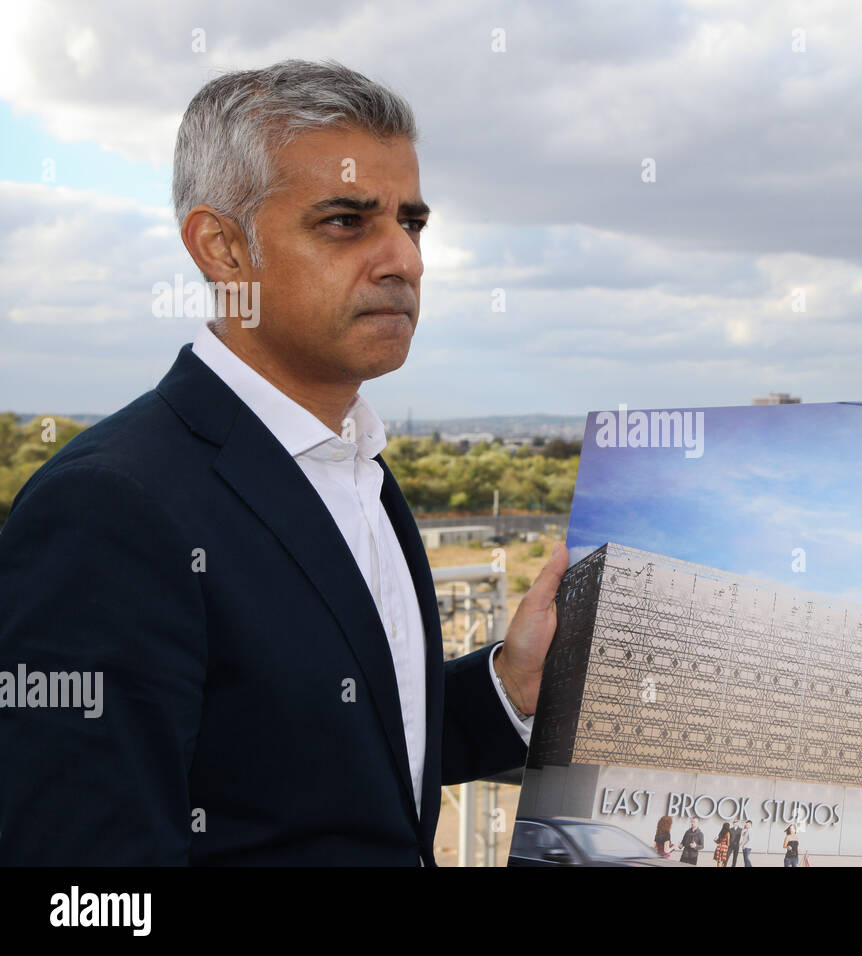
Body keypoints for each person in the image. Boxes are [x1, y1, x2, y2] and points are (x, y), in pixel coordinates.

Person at [0, 60, 566, 866]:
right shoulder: (109, 508)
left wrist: (510, 687)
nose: (404, 259)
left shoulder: (354, 465)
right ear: (224, 248)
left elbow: (334, 751)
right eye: (346, 221)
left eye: (412, 221)